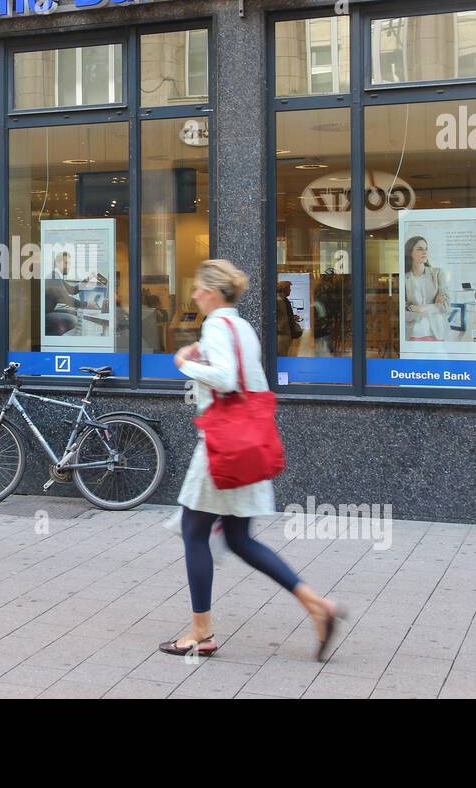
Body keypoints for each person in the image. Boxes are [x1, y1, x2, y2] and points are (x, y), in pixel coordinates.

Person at [161, 259, 343, 661]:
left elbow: (226, 379)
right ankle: (317, 605)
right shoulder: (242, 327)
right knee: (239, 538)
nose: (194, 295)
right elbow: (245, 379)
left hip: (222, 447)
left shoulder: (215, 326)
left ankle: (201, 632)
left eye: (198, 288)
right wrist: (204, 361)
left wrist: (184, 364)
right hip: (247, 442)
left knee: (194, 532)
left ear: (212, 292)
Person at [402, 235, 450, 341]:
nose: (425, 252)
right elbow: (401, 309)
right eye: (420, 249)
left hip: (437, 331)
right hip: (412, 333)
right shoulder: (404, 278)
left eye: (426, 248)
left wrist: (419, 308)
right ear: (410, 252)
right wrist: (434, 306)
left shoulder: (438, 273)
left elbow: (446, 306)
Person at [275, 279, 301, 357]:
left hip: (284, 333)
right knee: (282, 355)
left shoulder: (284, 300)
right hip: (283, 334)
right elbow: (282, 318)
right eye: (289, 288)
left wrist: (292, 317)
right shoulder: (279, 301)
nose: (290, 290)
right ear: (284, 289)